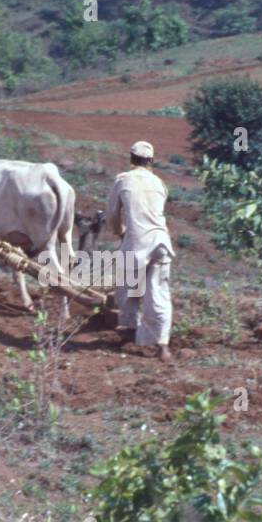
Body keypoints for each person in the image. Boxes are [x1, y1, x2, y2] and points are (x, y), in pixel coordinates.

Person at [107, 140, 174, 361]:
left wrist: (120, 232)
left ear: (131, 159)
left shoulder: (123, 180)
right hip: (161, 244)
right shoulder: (159, 183)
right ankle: (162, 345)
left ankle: (129, 330)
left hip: (136, 243)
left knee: (127, 289)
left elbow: (112, 216)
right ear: (151, 161)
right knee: (158, 294)